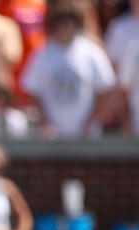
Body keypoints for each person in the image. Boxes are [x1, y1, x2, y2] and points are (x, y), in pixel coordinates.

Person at [20, 2, 116, 138]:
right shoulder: (42, 53)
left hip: (87, 136)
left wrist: (90, 123)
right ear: (55, 26)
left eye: (71, 23)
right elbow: (33, 93)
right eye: (63, 23)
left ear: (78, 25)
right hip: (51, 137)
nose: (67, 28)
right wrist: (45, 123)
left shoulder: (92, 52)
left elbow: (103, 91)